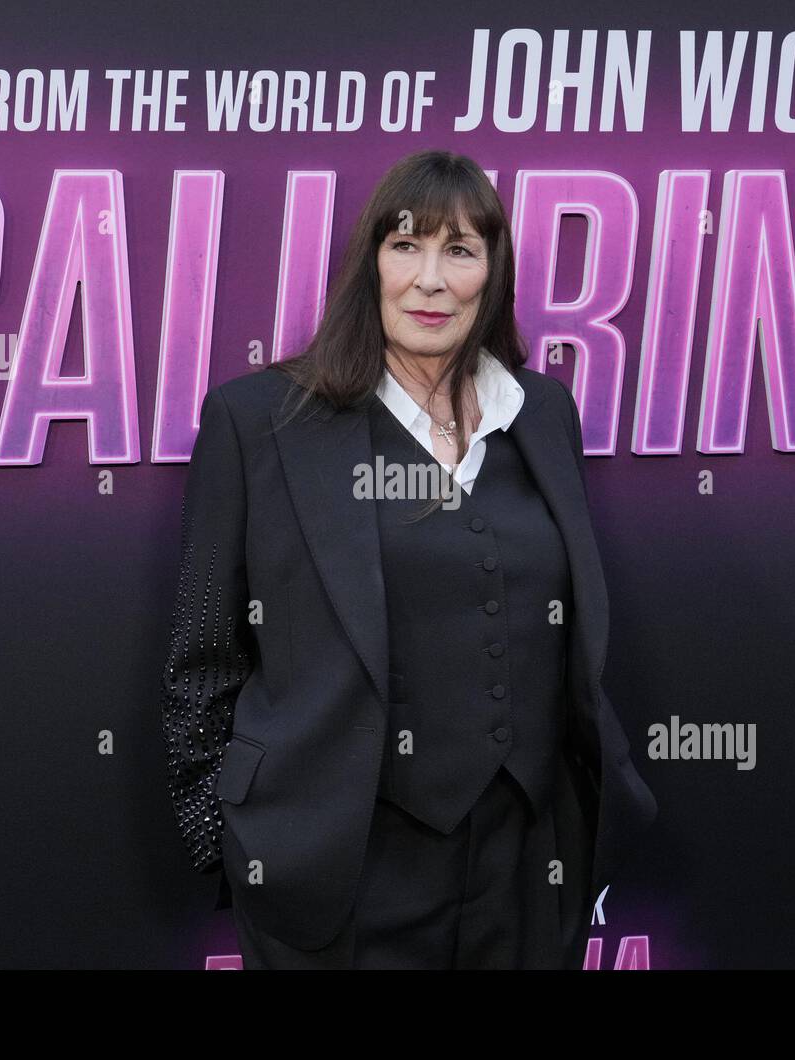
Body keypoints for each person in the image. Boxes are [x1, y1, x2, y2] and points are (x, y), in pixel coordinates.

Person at [160, 149, 657, 969]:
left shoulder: (541, 415)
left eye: (460, 250)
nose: (432, 279)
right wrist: (233, 839)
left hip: (525, 860)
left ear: (491, 275)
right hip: (342, 867)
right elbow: (202, 654)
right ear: (369, 264)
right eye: (407, 246)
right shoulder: (259, 423)